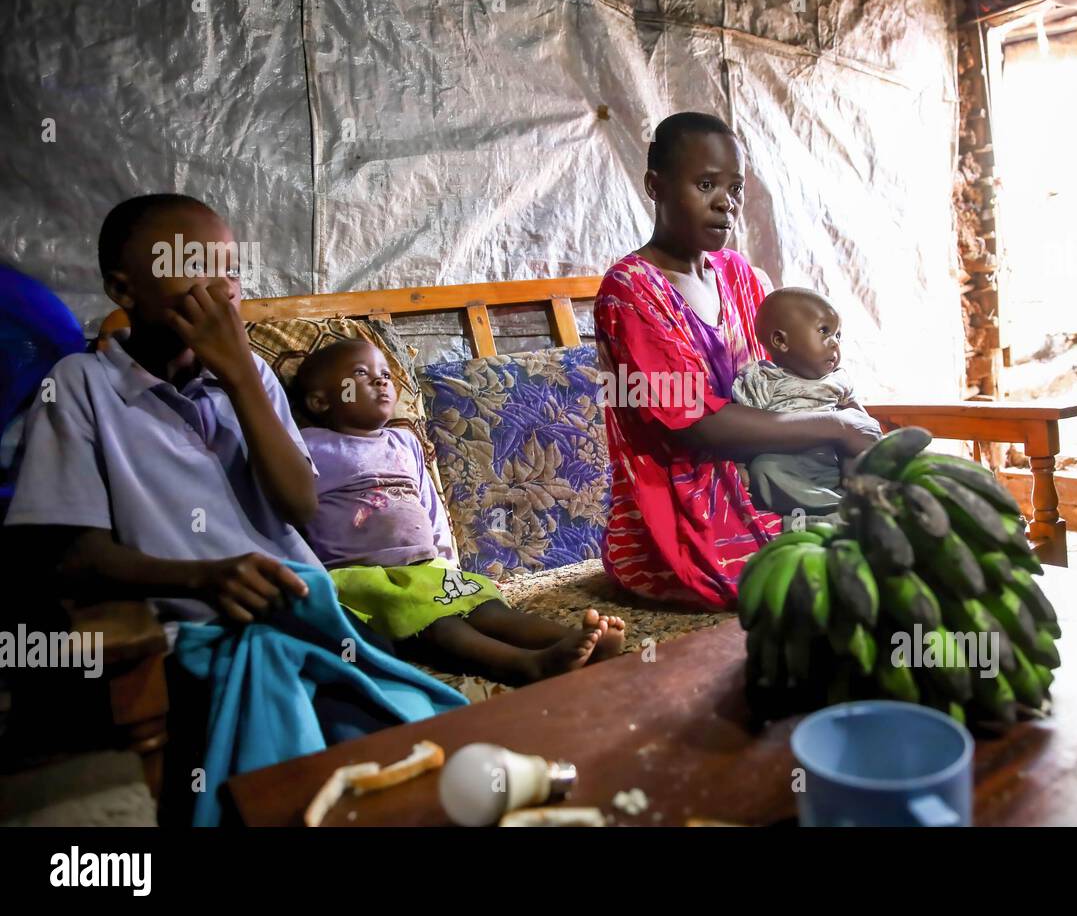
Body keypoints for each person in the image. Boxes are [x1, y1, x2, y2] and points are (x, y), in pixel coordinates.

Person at [595, 112, 880, 609]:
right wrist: (834, 426)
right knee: (850, 565)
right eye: (705, 184)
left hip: (768, 473)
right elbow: (696, 426)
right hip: (683, 510)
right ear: (655, 186)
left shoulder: (741, 275)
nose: (725, 203)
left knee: (906, 517)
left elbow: (789, 378)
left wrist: (846, 422)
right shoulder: (630, 291)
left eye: (735, 188)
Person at [5, 194, 321, 631]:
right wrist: (201, 578)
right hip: (201, 630)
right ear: (122, 290)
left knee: (416, 698)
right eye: (194, 267)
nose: (224, 287)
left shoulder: (254, 376)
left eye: (230, 268)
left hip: (304, 606)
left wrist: (241, 379)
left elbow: (300, 506)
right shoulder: (80, 384)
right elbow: (73, 557)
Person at [295, 339, 625, 685]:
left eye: (384, 374)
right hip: (367, 578)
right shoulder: (312, 446)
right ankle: (524, 665)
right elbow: (292, 508)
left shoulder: (403, 441)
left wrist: (447, 560)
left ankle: (574, 641)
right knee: (439, 626)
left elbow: (429, 504)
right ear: (320, 401)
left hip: (429, 569)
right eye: (361, 374)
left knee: (489, 609)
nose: (381, 381)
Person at [731, 287, 881, 516]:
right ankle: (837, 509)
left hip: (835, 459)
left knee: (862, 461)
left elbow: (860, 422)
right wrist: (740, 465)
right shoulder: (762, 379)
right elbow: (742, 432)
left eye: (838, 335)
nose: (835, 344)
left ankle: (862, 501)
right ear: (781, 340)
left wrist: (871, 442)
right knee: (764, 469)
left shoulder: (836, 379)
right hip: (788, 464)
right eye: (824, 332)